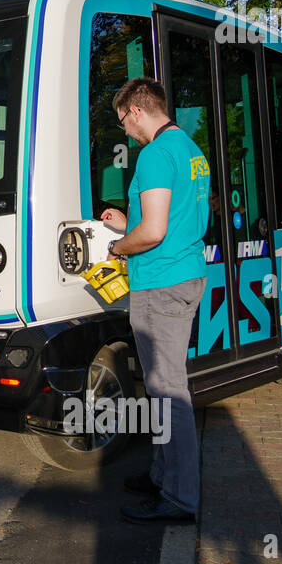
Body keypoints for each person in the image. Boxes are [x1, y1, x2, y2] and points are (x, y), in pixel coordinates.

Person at [98, 78, 210, 525]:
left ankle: (180, 498)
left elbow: (155, 233)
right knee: (164, 385)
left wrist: (117, 247)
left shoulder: (155, 154)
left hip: (161, 282)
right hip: (183, 274)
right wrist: (129, 221)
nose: (125, 131)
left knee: (167, 392)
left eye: (123, 121)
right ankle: (164, 475)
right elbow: (172, 217)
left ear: (137, 110)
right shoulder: (188, 149)